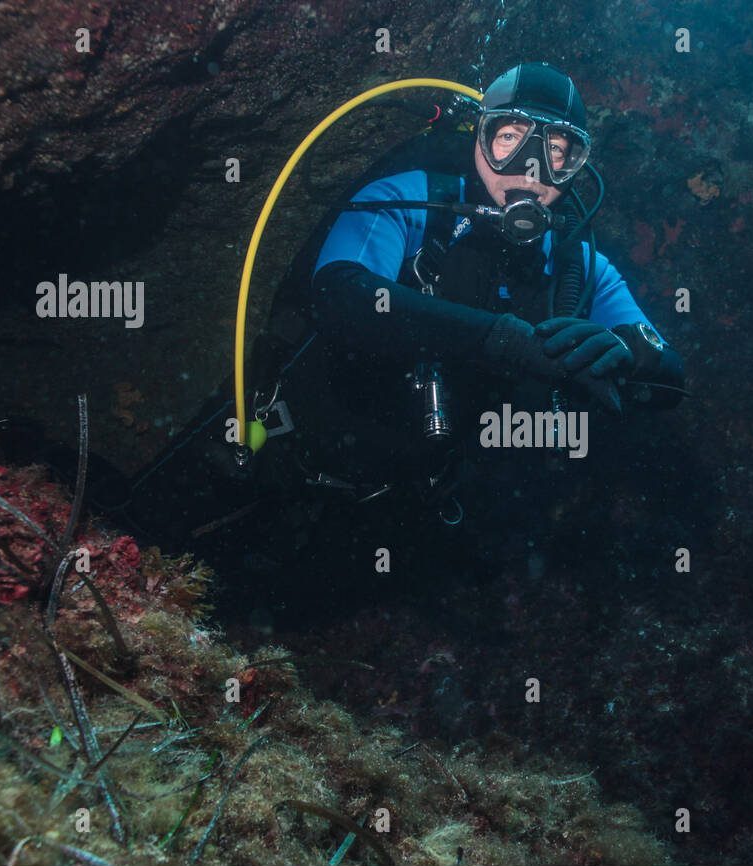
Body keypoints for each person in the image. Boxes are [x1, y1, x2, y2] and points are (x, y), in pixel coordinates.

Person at [123, 63, 687, 619]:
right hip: (261, 441)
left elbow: (666, 373)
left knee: (260, 622)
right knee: (124, 539)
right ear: (478, 136)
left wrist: (628, 360)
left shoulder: (578, 265)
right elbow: (341, 292)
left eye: (559, 152)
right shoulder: (407, 200)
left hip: (381, 507)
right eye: (510, 139)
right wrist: (504, 339)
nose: (532, 170)